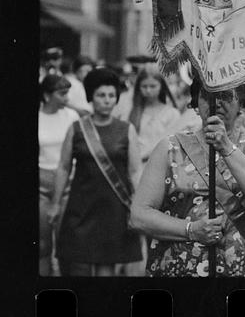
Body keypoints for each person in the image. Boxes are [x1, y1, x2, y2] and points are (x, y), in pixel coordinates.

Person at [130, 81, 245, 277]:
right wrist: (191, 230)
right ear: (196, 101)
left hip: (241, 272)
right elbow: (139, 216)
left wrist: (226, 147)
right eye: (207, 95)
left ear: (242, 102)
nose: (216, 102)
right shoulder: (170, 148)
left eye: (226, 95)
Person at [49, 68, 142, 276]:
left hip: (114, 208)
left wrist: (139, 204)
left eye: (111, 95)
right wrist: (55, 204)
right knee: (78, 268)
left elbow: (135, 171)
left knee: (106, 270)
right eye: (101, 95)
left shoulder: (126, 129)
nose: (107, 100)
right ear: (91, 97)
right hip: (81, 207)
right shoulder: (76, 128)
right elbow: (64, 167)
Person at [39, 74, 80, 276]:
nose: (67, 98)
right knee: (42, 245)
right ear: (47, 95)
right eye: (62, 93)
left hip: (67, 183)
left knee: (66, 245)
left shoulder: (71, 116)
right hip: (41, 184)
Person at [128, 63, 182, 163]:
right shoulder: (134, 112)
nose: (148, 90)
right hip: (138, 164)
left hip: (161, 164)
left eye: (153, 86)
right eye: (144, 86)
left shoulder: (171, 114)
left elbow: (172, 144)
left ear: (161, 86)